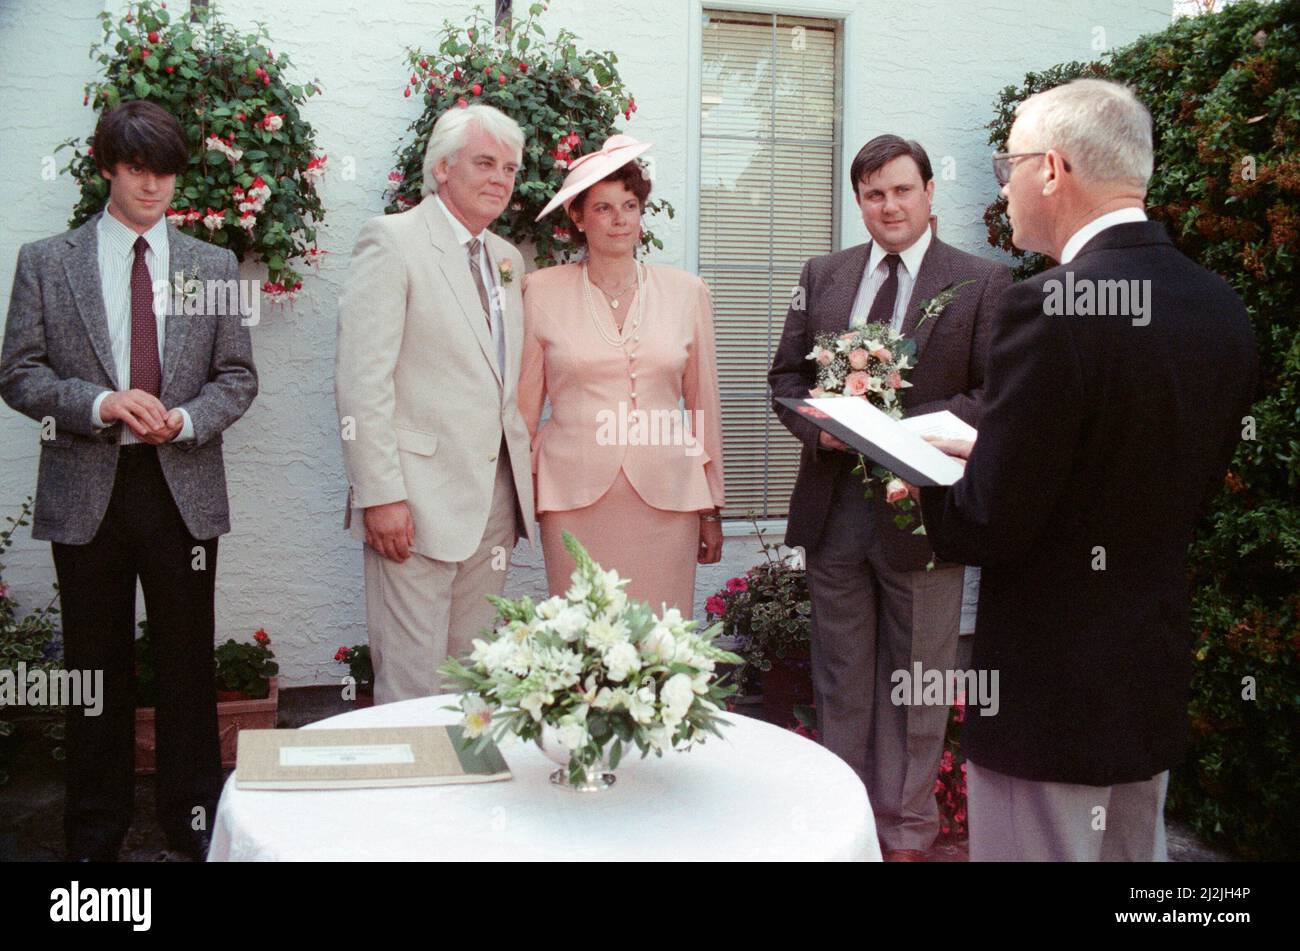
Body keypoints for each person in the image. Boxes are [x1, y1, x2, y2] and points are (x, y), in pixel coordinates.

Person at [917, 79, 1258, 861]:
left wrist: (925, 484)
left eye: (1008, 165)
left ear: (1052, 170)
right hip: (1148, 671)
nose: (1003, 186)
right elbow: (1146, 464)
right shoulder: (1218, 305)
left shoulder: (1048, 306)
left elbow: (992, 518)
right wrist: (997, 446)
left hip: (1050, 690)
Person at [0, 100, 258, 861]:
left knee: (187, 663)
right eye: (139, 168)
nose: (154, 185)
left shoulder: (213, 266)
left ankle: (194, 821)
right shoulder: (49, 261)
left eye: (167, 171)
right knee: (93, 671)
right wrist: (98, 403)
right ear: (107, 166)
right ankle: (93, 832)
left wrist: (186, 419)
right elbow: (17, 372)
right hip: (87, 491)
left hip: (181, 489)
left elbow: (237, 377)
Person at [769, 134, 1011, 861]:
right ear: (860, 201)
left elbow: (995, 393)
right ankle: (848, 828)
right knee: (841, 679)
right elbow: (786, 380)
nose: (890, 205)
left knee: (918, 681)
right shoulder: (825, 273)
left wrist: (911, 434)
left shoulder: (981, 281)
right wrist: (830, 432)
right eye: (874, 194)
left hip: (925, 517)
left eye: (902, 189)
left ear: (929, 192)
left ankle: (906, 833)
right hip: (834, 511)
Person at [336, 104, 535, 704]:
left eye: (510, 167)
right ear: (441, 167)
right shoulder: (391, 242)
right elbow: (361, 380)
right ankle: (406, 799)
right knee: (412, 684)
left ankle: (465, 793)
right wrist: (381, 495)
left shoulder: (507, 258)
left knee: (472, 681)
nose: (500, 178)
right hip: (413, 503)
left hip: (493, 504)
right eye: (484, 162)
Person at [520, 135, 725, 615]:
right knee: (581, 638)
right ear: (577, 217)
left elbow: (703, 405)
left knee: (662, 640)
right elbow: (523, 408)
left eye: (629, 206)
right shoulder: (540, 291)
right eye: (604, 208)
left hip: (668, 497)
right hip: (572, 497)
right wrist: (512, 498)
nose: (619, 220)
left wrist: (711, 504)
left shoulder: (687, 292)